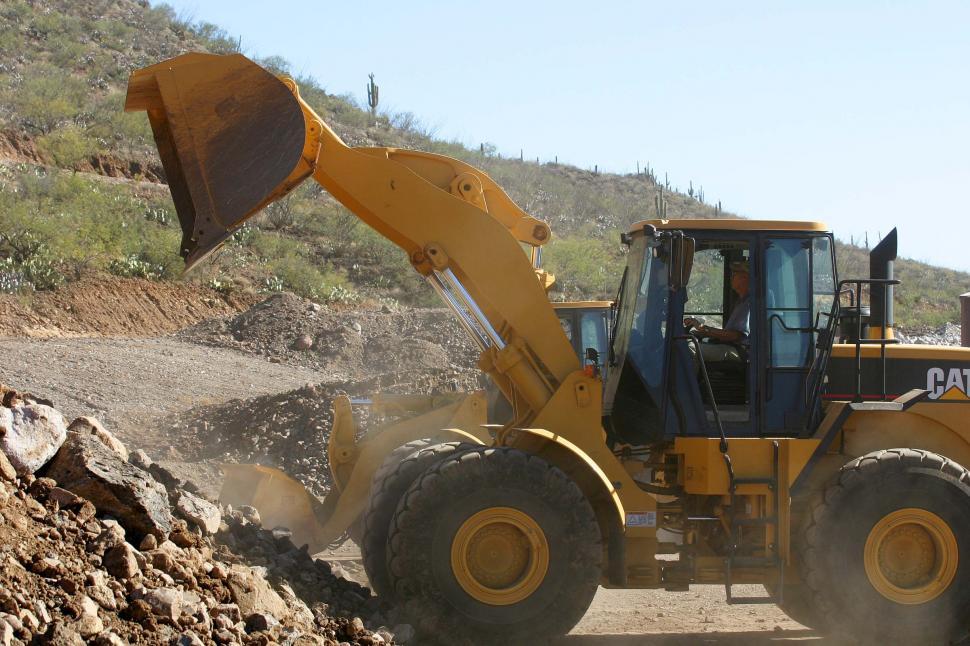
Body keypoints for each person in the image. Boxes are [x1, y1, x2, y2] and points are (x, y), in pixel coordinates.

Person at [685, 260, 750, 362]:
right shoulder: (741, 302)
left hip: (739, 351)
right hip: (731, 346)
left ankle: (688, 378)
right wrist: (702, 333)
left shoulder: (749, 303)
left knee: (689, 349)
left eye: (735, 274)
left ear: (745, 278)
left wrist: (704, 329)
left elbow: (735, 336)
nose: (731, 277)